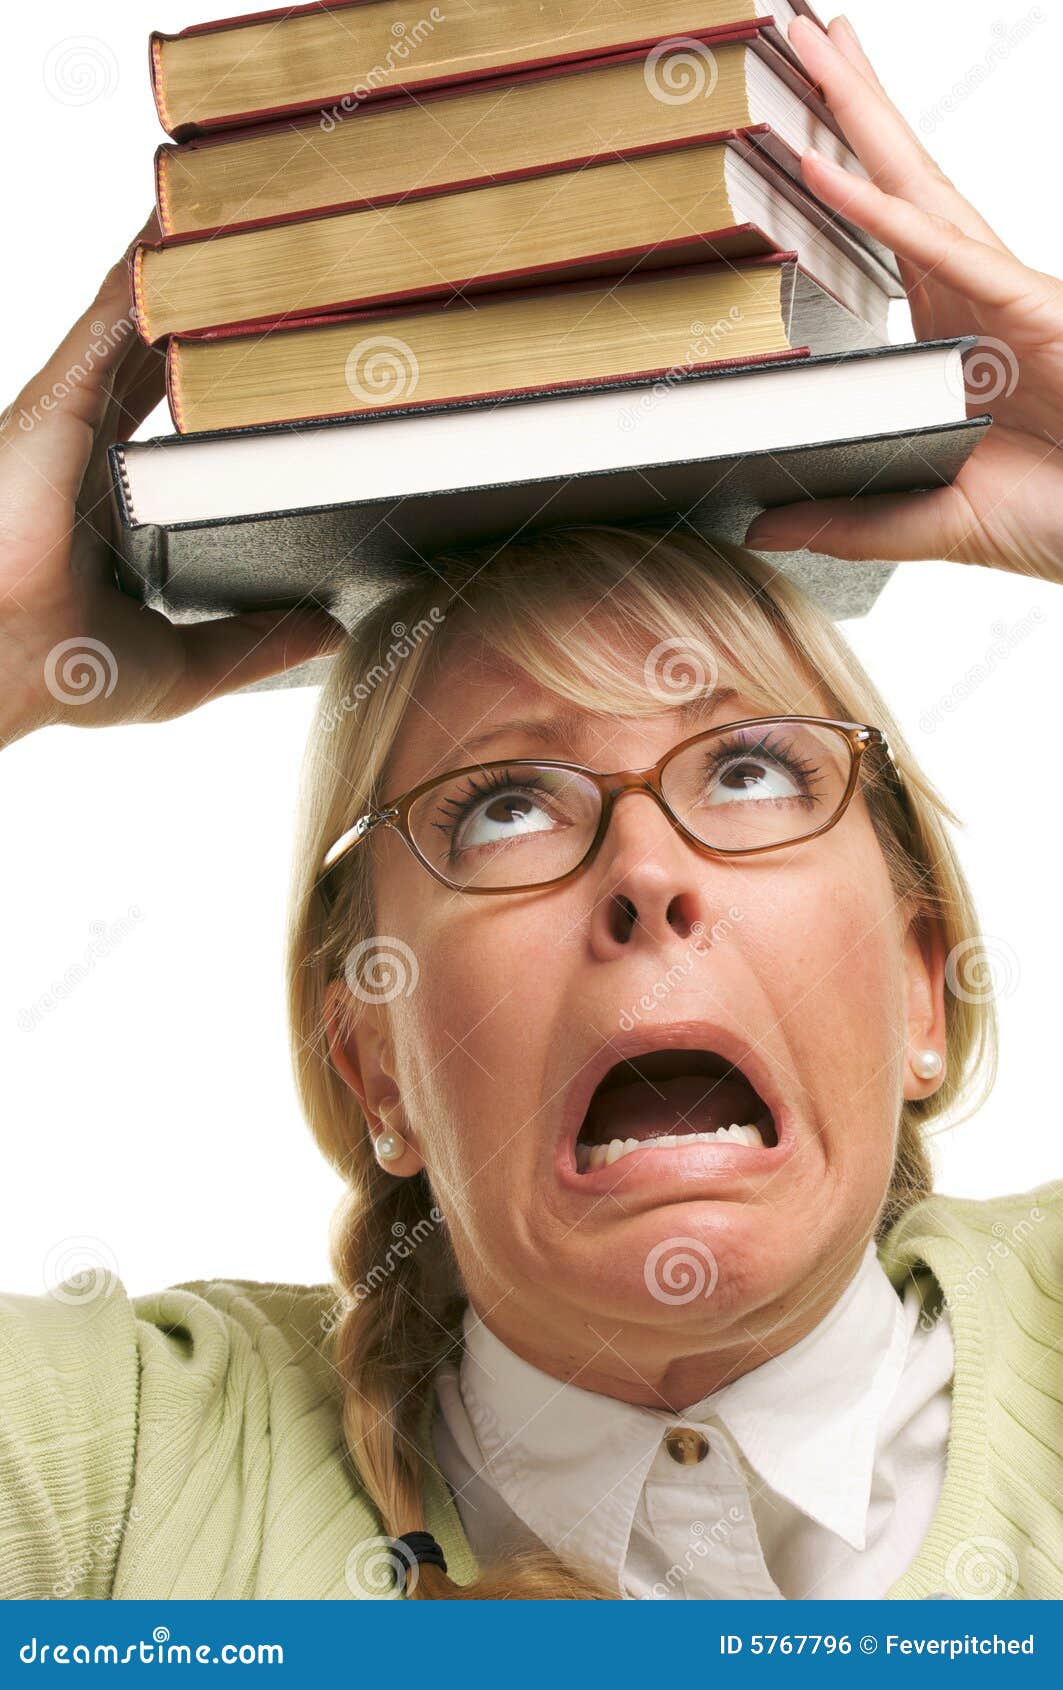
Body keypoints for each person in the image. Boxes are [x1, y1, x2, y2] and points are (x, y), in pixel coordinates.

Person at [1, 13, 1061, 1602]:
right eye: (504, 806)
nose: (647, 870)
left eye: (749, 769)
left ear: (924, 984)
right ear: (372, 1059)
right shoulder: (120, 1476)